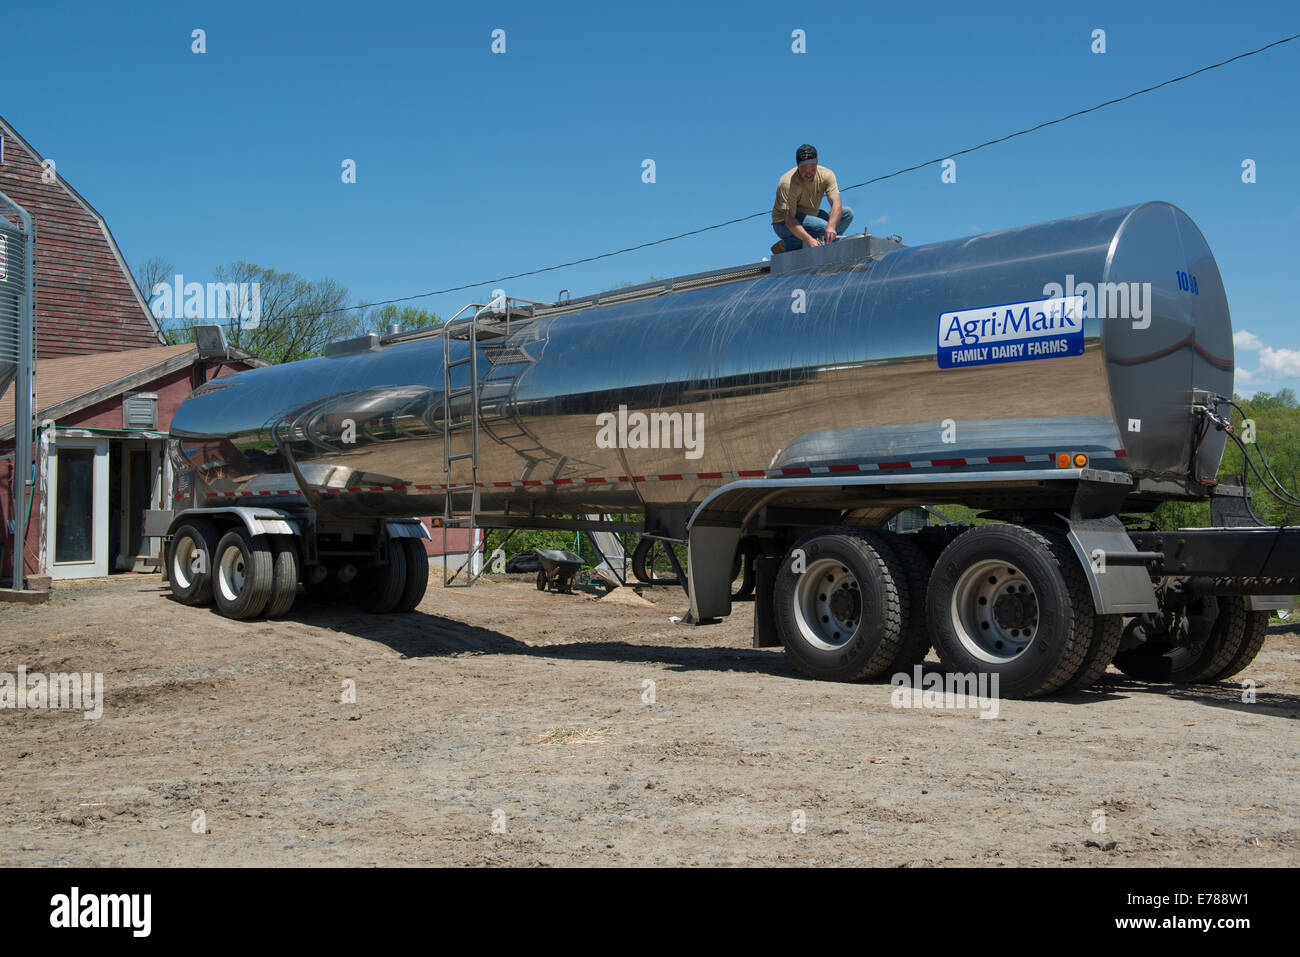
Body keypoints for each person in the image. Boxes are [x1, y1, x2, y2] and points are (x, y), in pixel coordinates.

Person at [770, 144, 854, 254]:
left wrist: (832, 227)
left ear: (817, 163)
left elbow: (836, 202)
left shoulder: (826, 175)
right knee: (823, 228)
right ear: (798, 166)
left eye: (812, 169)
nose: (809, 174)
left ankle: (823, 243)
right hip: (784, 223)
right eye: (805, 170)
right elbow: (789, 219)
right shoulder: (788, 183)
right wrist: (809, 240)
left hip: (811, 215)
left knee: (847, 214)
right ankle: (789, 245)